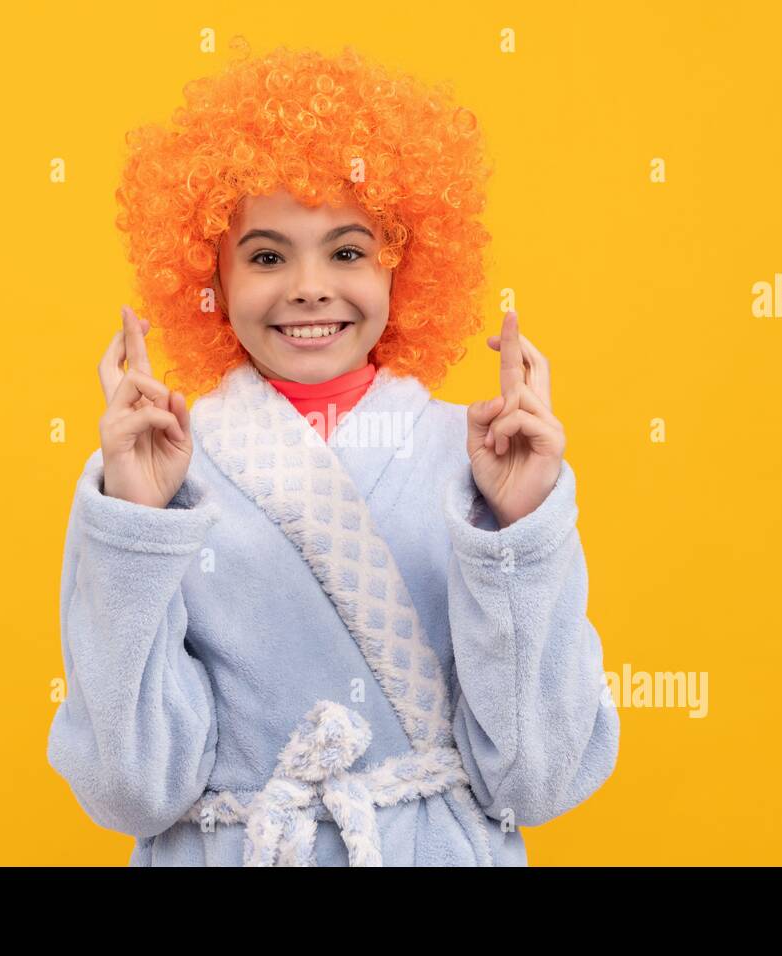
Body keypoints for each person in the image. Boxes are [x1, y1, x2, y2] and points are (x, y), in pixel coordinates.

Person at [46, 42, 619, 866]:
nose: (309, 286)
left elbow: (536, 780)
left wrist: (520, 526)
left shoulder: (480, 463)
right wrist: (135, 523)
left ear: (404, 267)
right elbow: (131, 791)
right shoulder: (159, 475)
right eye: (267, 256)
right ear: (208, 275)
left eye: (347, 252)